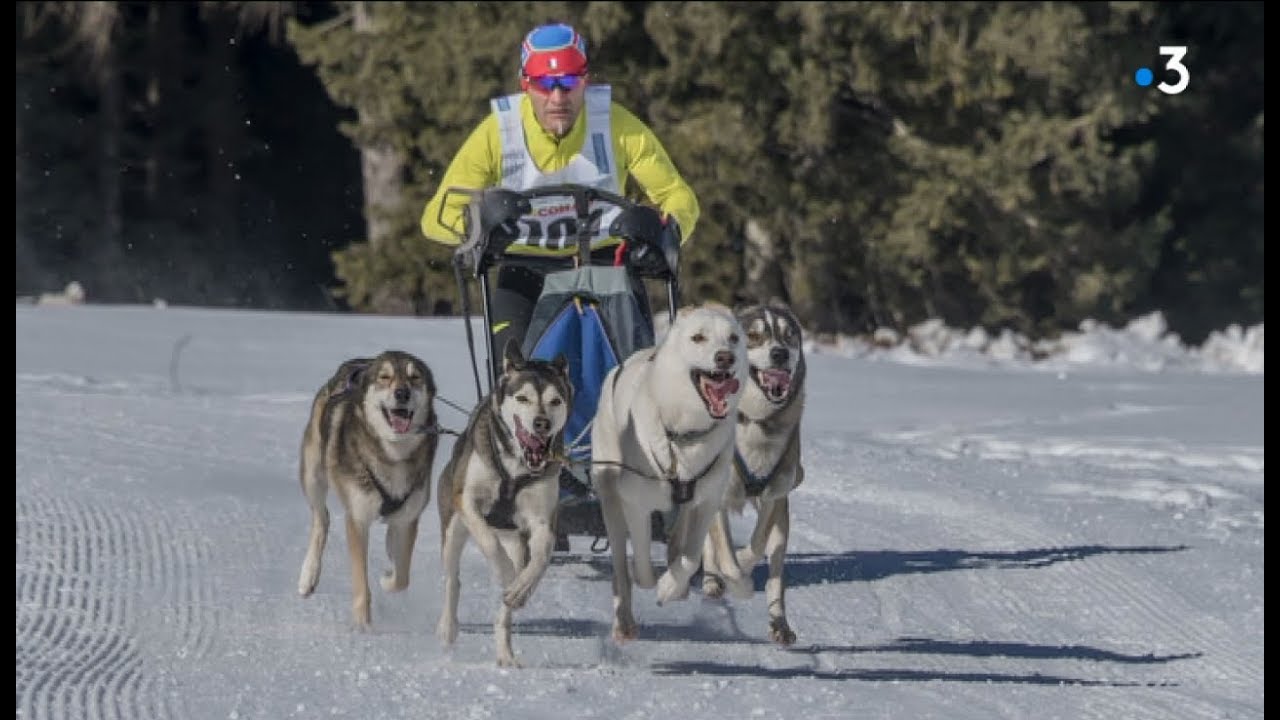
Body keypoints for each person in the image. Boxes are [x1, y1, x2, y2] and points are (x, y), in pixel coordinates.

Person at [420, 21, 700, 370]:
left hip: (605, 266)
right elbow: (435, 217)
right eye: (544, 84)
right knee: (515, 381)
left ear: (585, 81)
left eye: (568, 83)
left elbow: (679, 197)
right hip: (525, 270)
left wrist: (663, 231)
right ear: (526, 85)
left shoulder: (617, 125)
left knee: (636, 379)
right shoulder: (498, 132)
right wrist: (476, 221)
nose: (558, 97)